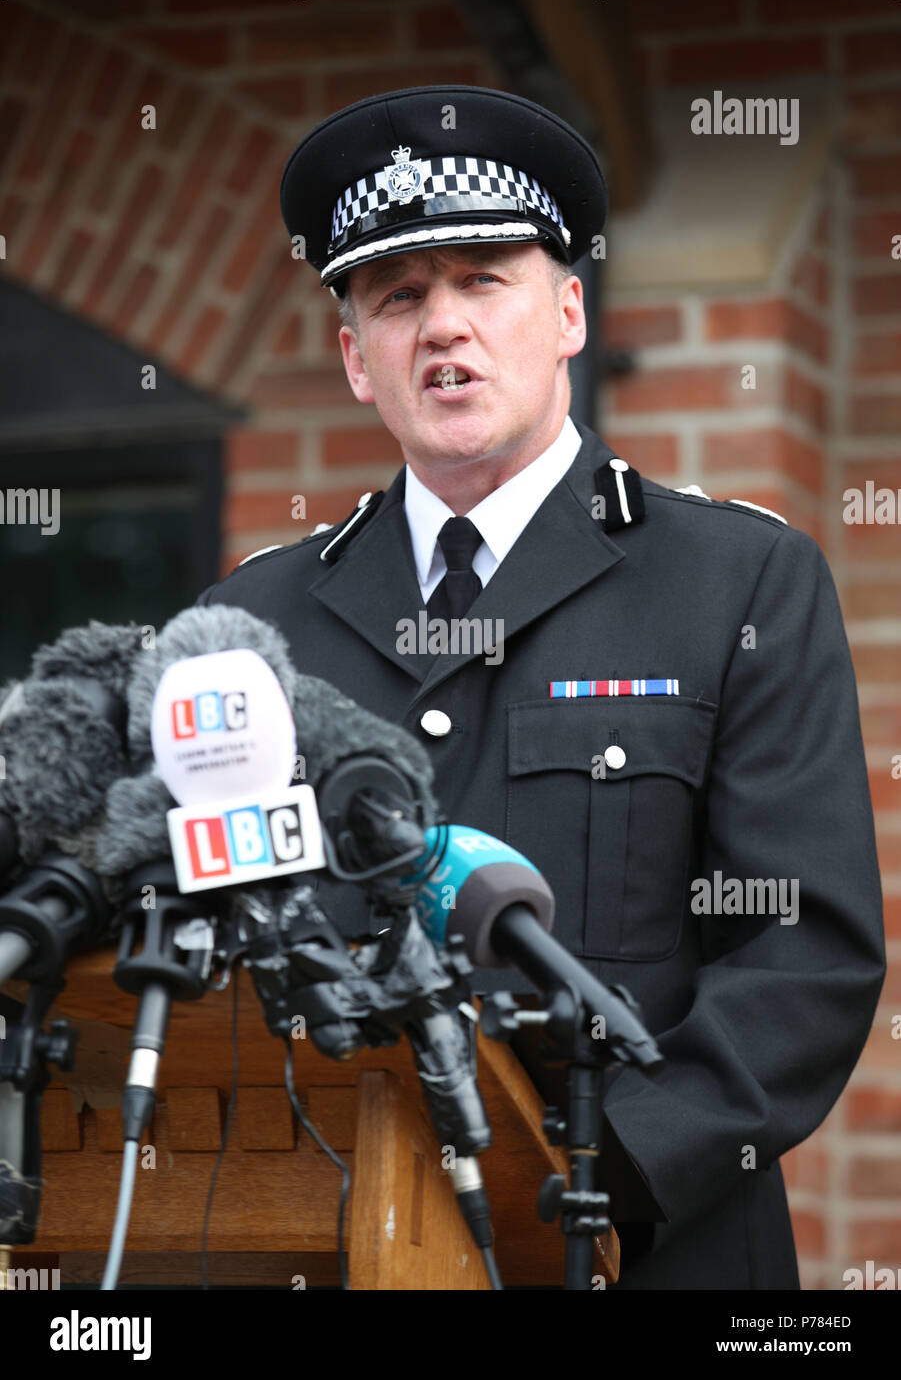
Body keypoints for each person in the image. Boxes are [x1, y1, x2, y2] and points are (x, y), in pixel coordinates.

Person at [195, 84, 885, 1289]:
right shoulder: (248, 624)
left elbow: (804, 958)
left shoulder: (737, 580)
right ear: (358, 360)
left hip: (647, 1247)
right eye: (399, 298)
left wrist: (576, 1175)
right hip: (324, 1237)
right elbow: (194, 948)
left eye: (482, 280)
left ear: (567, 312)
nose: (442, 327)